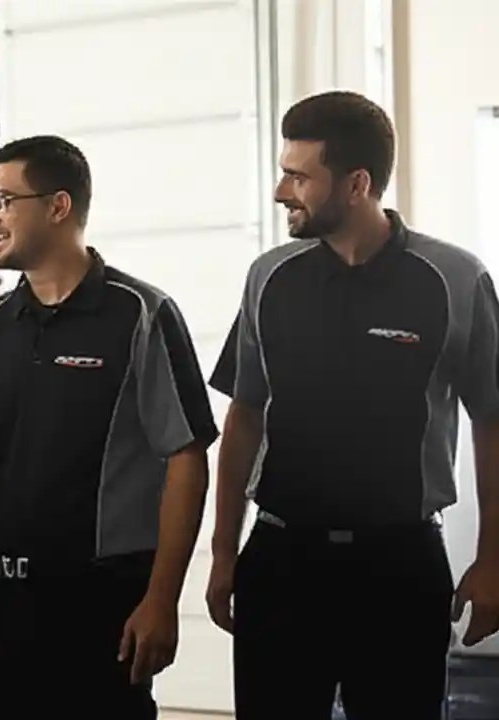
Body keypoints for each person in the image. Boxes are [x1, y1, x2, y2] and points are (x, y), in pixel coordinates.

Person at [205, 90, 499, 719]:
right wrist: (224, 553)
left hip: (400, 567)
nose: (284, 191)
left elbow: (493, 422)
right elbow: (244, 417)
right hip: (282, 562)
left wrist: (494, 559)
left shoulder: (454, 279)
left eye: (299, 176)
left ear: (357, 183)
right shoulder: (270, 277)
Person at [0, 135, 219, 719]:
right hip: (7, 601)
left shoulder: (140, 314)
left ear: (58, 206)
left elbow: (185, 458)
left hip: (104, 601)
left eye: (3, 200)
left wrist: (161, 598)